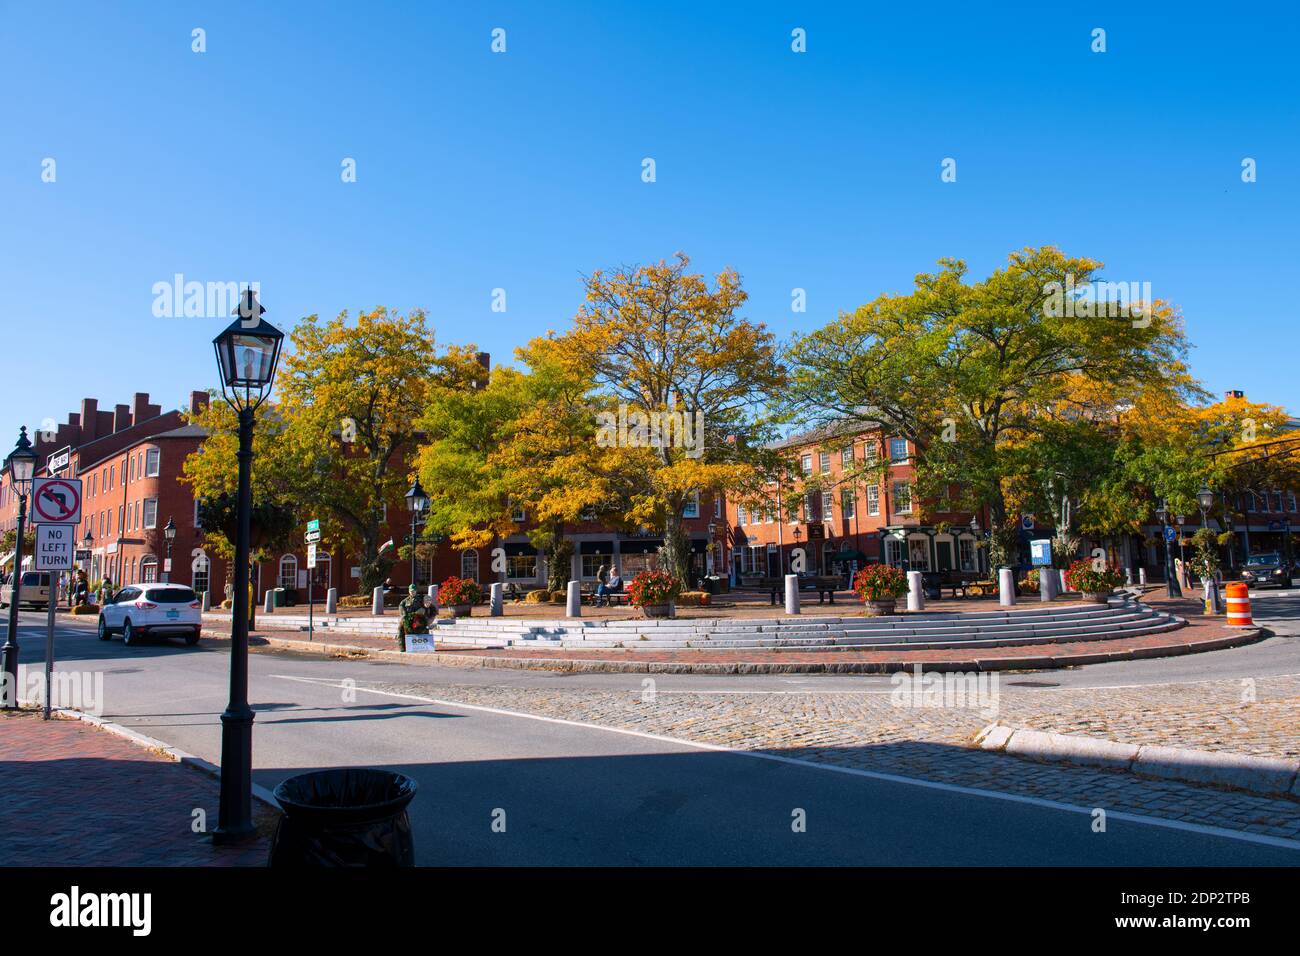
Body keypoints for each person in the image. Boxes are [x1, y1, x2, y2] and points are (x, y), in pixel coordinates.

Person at [397, 584, 431, 652]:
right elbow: (401, 607)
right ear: (409, 591)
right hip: (408, 619)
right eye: (411, 591)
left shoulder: (421, 599)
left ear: (416, 591)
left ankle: (427, 646)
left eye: (414, 591)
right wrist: (404, 616)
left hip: (419, 618)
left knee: (424, 626)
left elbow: (427, 607)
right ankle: (402, 647)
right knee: (400, 627)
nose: (412, 592)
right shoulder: (405, 601)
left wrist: (424, 609)